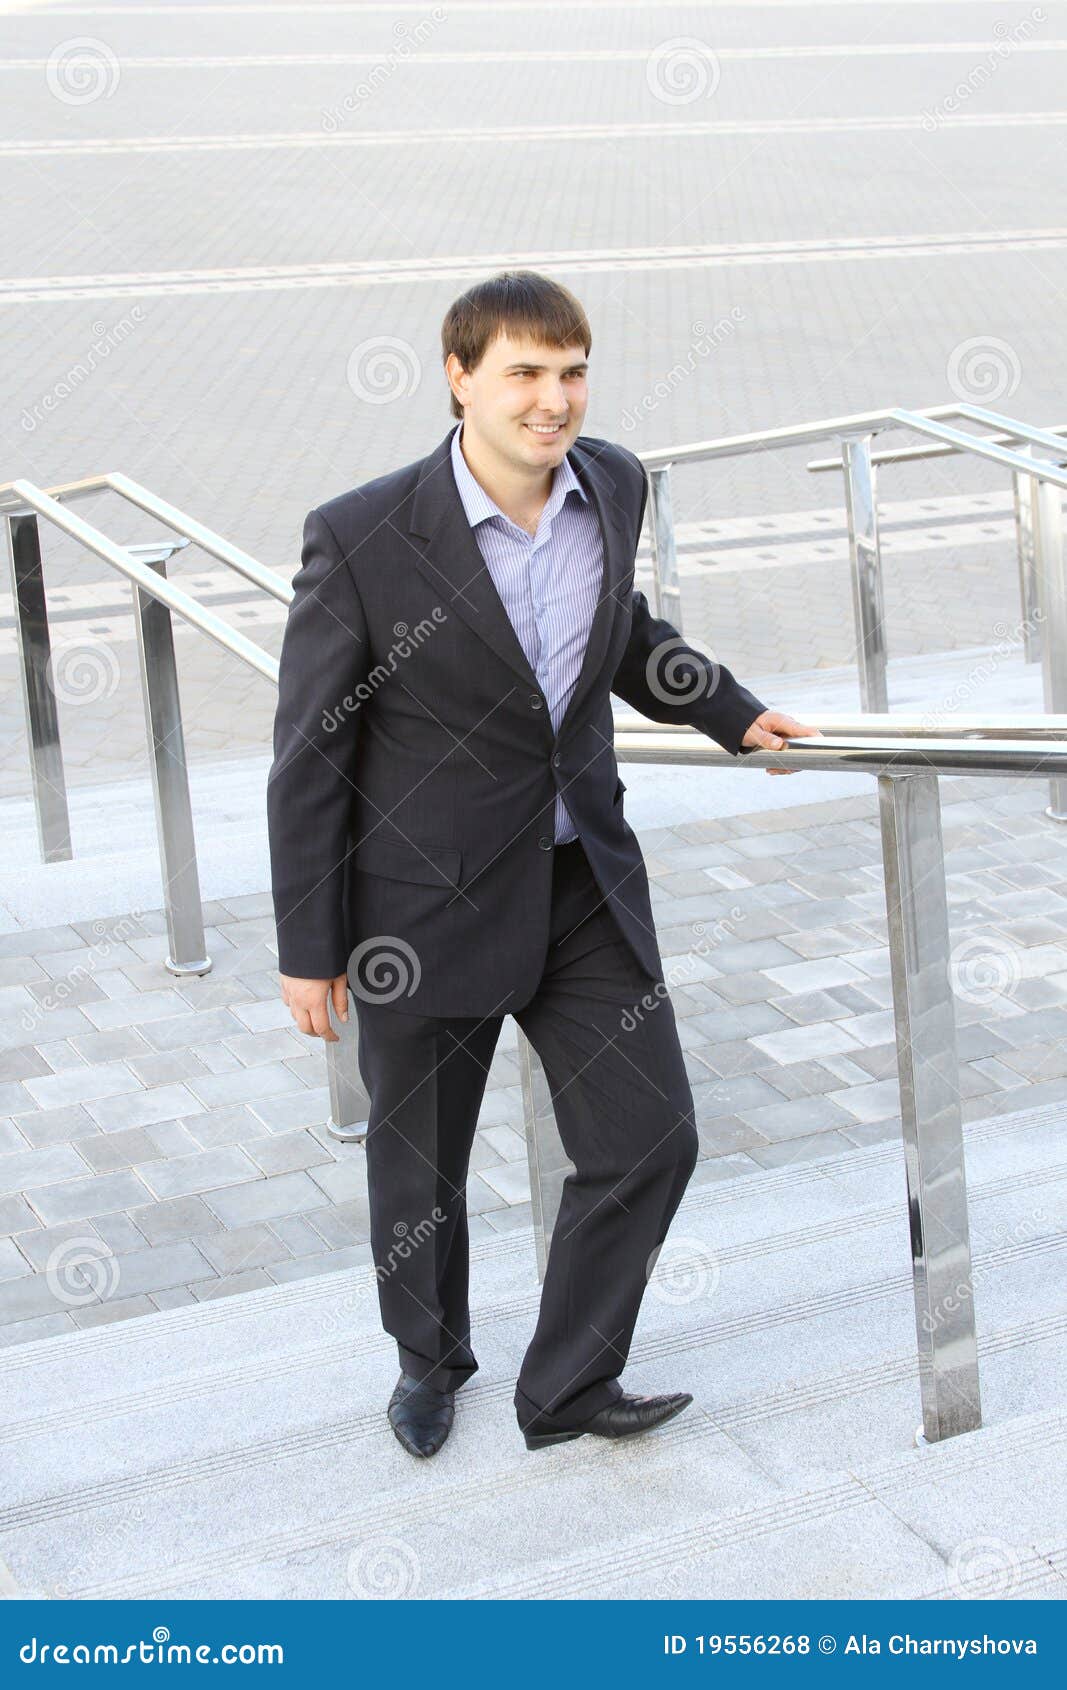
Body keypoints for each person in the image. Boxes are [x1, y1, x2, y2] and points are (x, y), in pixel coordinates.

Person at [267, 270, 818, 1458]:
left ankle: (564, 1383)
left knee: (649, 1136)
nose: (551, 399)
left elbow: (616, 630)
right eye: (522, 372)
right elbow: (310, 756)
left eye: (569, 372)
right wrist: (308, 946)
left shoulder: (611, 482)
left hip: (578, 888)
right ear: (459, 375)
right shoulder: (361, 535)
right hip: (419, 909)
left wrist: (726, 709)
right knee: (420, 1168)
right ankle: (428, 1359)